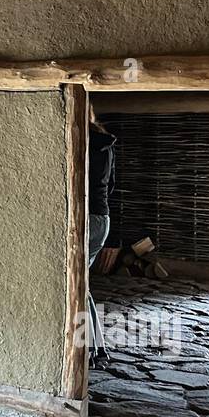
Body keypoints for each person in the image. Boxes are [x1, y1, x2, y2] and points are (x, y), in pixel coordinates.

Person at [86, 107, 117, 366]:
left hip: (84, 218)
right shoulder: (106, 146)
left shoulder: (78, 140)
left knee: (77, 285)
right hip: (103, 217)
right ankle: (96, 347)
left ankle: (90, 347)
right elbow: (112, 184)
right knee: (80, 284)